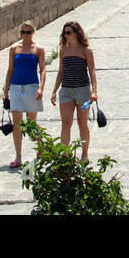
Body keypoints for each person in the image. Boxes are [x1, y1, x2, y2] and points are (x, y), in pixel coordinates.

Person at [50, 20, 97, 160]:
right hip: (66, 91)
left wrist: (94, 91)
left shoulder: (86, 50)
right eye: (64, 33)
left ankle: (84, 154)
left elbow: (92, 71)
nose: (66, 36)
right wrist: (54, 91)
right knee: (65, 123)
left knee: (82, 123)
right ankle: (64, 155)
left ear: (77, 33)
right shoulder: (63, 50)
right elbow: (60, 72)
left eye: (68, 33)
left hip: (82, 91)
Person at [2, 20, 45, 168]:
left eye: (28, 32)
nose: (25, 35)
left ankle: (40, 147)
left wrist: (41, 88)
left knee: (31, 122)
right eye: (22, 32)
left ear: (33, 32)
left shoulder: (38, 49)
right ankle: (18, 157)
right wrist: (5, 91)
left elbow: (43, 70)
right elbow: (10, 70)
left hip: (31, 87)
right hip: (15, 87)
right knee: (17, 123)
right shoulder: (14, 49)